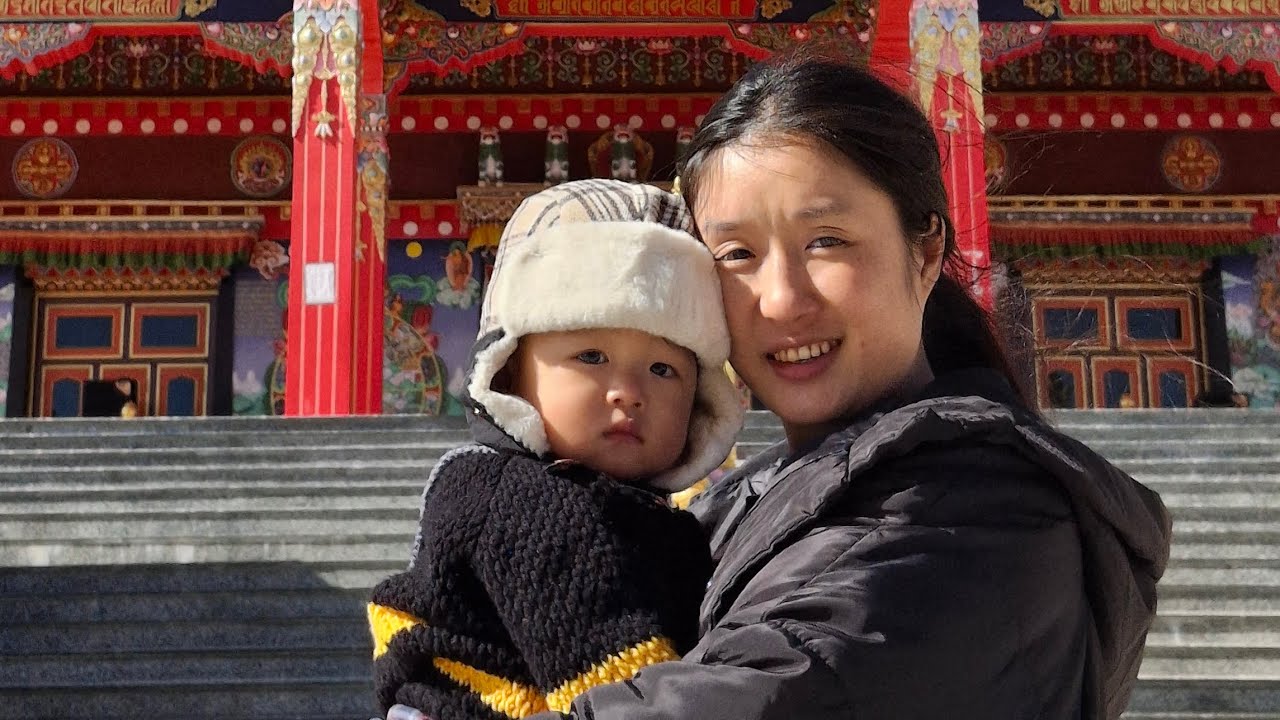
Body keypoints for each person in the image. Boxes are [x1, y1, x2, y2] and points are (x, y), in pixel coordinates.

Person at [392, 55, 1173, 720]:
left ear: (926, 249)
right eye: (735, 255)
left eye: (826, 240)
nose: (780, 298)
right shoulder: (740, 502)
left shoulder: (977, 516)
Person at [366, 179, 745, 720]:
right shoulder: (521, 502)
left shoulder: (652, 514)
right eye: (591, 356)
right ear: (512, 373)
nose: (629, 392)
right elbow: (617, 677)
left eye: (664, 369)